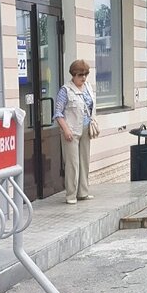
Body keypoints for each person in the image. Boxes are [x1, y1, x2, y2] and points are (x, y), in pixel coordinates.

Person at [54, 59, 95, 205]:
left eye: (85, 74)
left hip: (85, 128)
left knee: (84, 161)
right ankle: (71, 195)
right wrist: (65, 129)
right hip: (70, 130)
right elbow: (58, 113)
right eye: (80, 75)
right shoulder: (65, 90)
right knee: (72, 163)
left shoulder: (88, 87)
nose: (83, 78)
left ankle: (83, 192)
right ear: (73, 75)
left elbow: (90, 108)